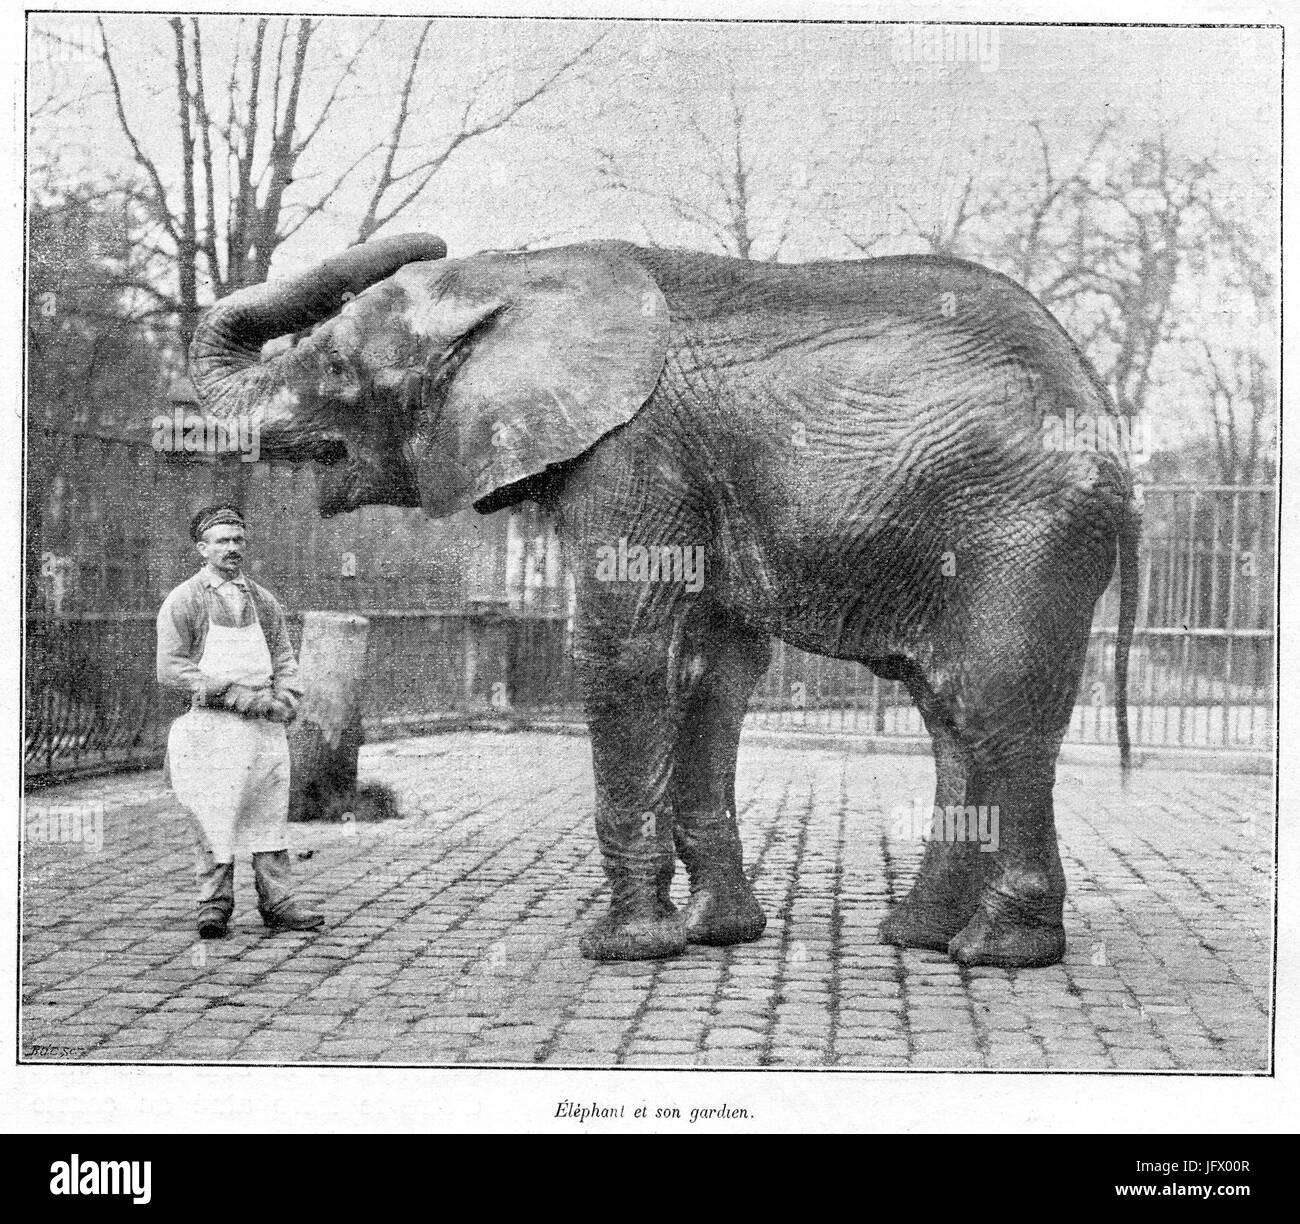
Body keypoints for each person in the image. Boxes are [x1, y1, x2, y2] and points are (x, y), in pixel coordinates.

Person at [156, 504, 323, 938]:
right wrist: (230, 693)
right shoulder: (185, 600)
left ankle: (279, 902)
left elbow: (284, 656)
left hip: (265, 729)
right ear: (202, 548)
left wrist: (286, 694)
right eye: (222, 540)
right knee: (215, 815)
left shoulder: (263, 601)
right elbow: (172, 668)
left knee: (268, 816)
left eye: (238, 540)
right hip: (213, 727)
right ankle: (213, 905)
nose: (232, 548)